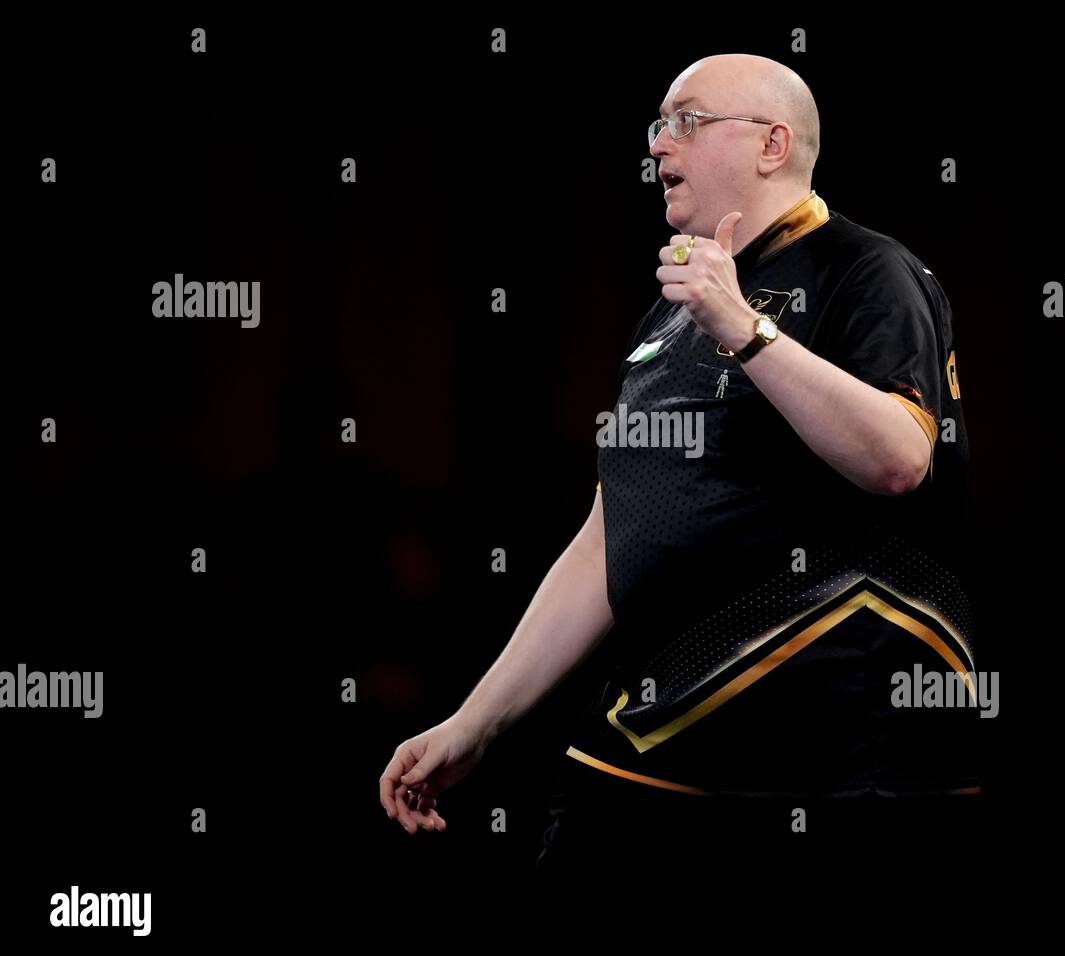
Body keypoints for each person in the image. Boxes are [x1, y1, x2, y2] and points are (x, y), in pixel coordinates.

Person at [379, 53, 980, 877]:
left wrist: (746, 330)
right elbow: (607, 539)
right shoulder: (677, 304)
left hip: (831, 764)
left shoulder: (868, 270)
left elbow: (900, 459)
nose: (660, 144)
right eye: (659, 124)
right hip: (656, 735)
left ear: (772, 145)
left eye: (686, 121)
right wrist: (475, 720)